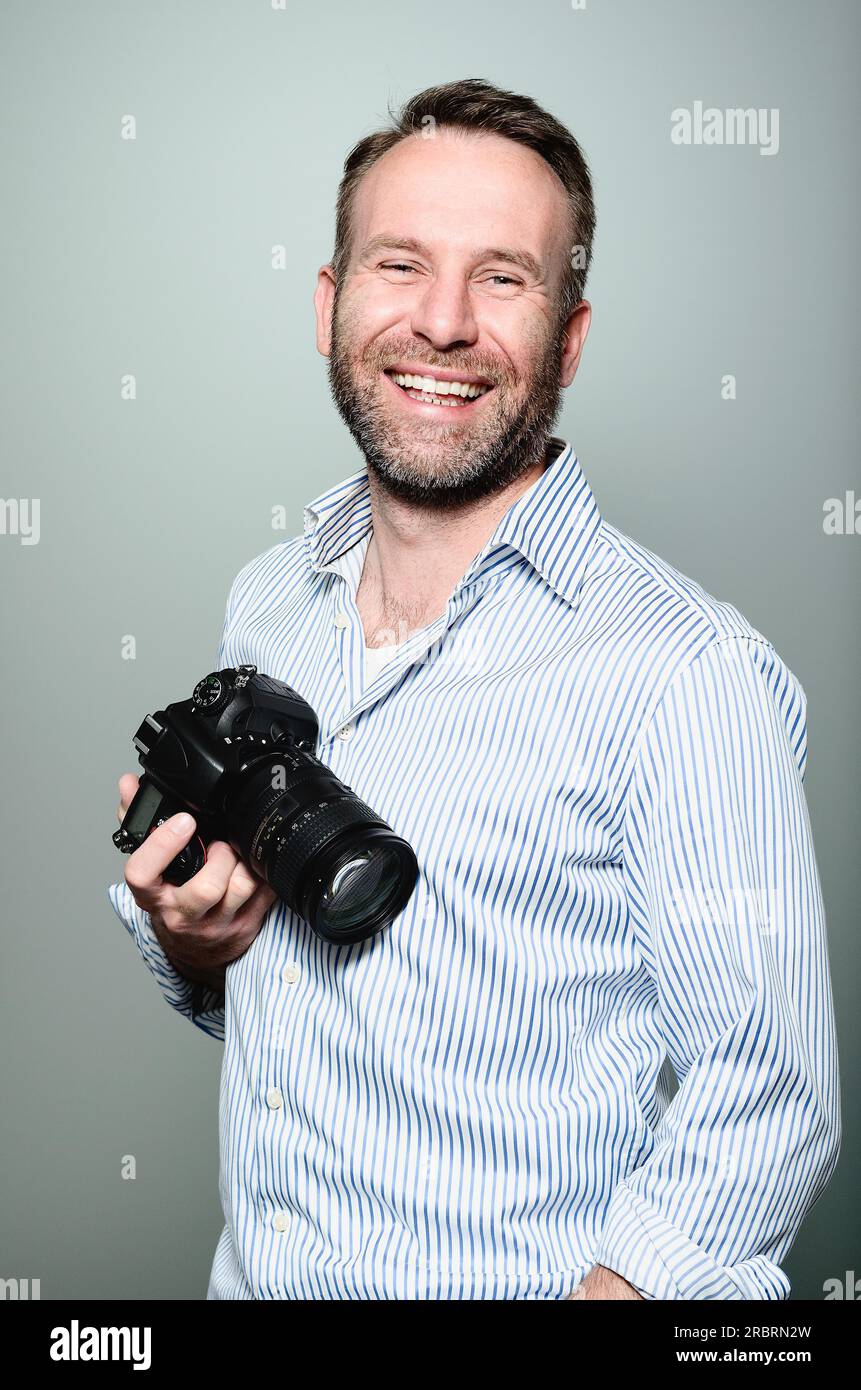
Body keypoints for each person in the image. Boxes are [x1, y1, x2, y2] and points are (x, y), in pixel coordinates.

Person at [109, 78, 840, 1301]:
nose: (442, 322)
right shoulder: (269, 600)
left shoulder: (680, 670)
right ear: (333, 308)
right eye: (400, 265)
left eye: (502, 277)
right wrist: (196, 950)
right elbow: (323, 1018)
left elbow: (770, 1094)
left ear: (570, 336)